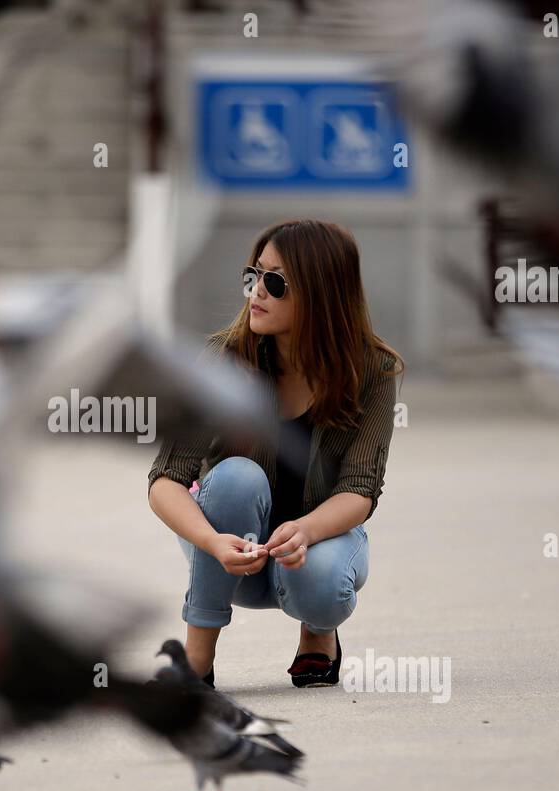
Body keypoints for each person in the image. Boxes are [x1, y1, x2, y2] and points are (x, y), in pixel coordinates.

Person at [147, 219, 403, 688]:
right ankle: (197, 658)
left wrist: (304, 530)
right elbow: (165, 480)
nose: (256, 292)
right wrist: (210, 542)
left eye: (276, 282)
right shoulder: (222, 360)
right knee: (237, 477)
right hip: (230, 554)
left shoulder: (372, 370)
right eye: (253, 275)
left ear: (323, 293)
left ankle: (318, 635)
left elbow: (360, 490)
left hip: (311, 554)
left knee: (323, 581)